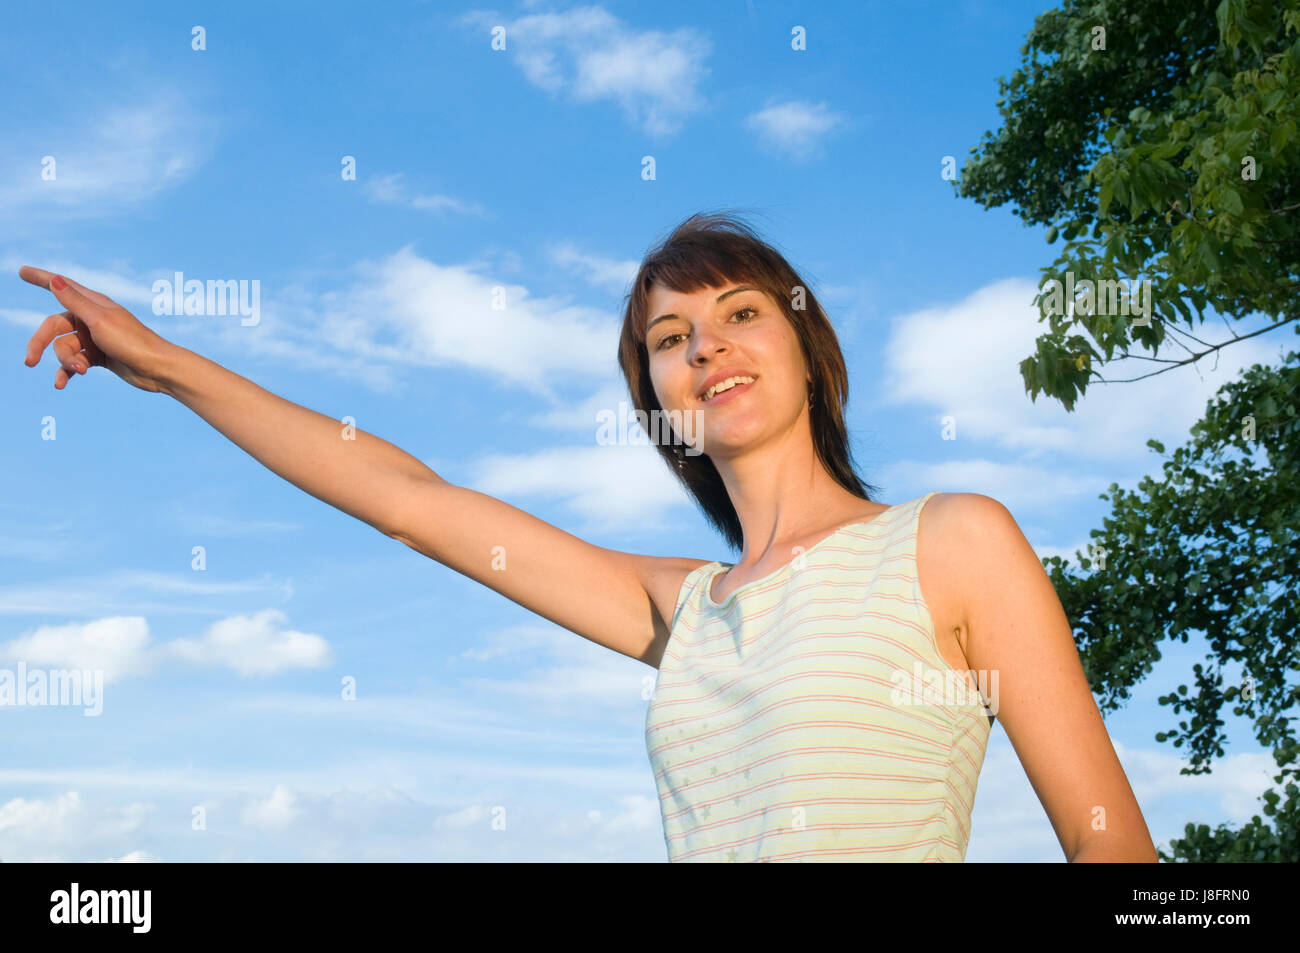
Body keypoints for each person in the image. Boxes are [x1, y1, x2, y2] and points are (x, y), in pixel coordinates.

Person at [17, 211, 1158, 862]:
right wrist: (164, 365)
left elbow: (1115, 853)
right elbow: (408, 500)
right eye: (671, 336)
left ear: (809, 350)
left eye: (740, 313)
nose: (706, 346)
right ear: (657, 397)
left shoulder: (950, 541)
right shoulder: (684, 609)